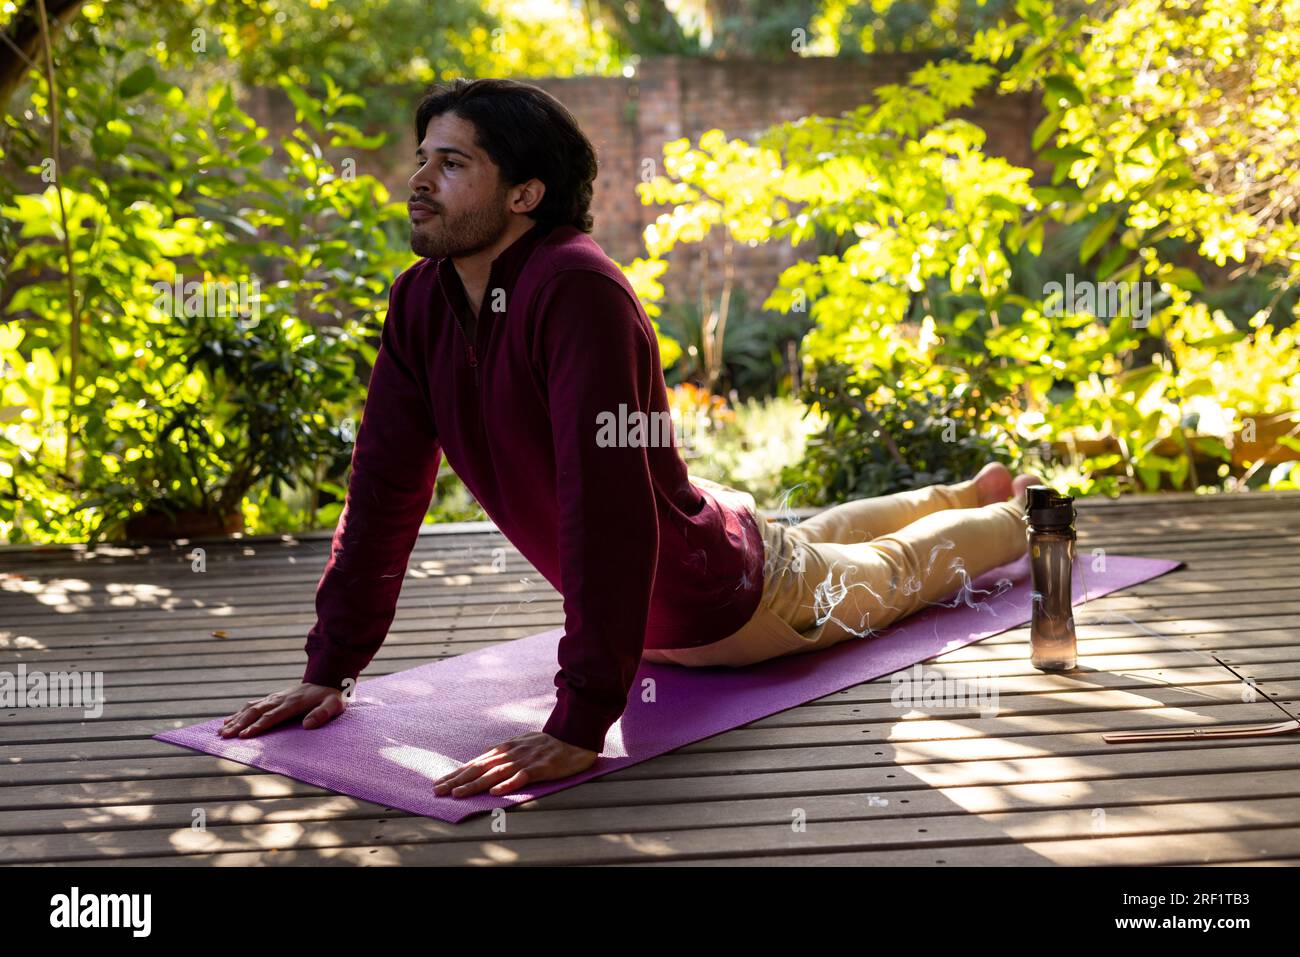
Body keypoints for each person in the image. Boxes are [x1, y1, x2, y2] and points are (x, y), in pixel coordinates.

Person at [218, 78, 1037, 799]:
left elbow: (605, 506)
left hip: (726, 609)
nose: (419, 181)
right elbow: (383, 491)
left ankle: (1024, 515)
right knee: (811, 537)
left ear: (524, 194)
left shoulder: (577, 289)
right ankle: (966, 489)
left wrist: (579, 721)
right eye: (423, 158)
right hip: (704, 530)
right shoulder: (421, 300)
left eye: (452, 163)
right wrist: (331, 666)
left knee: (893, 573)